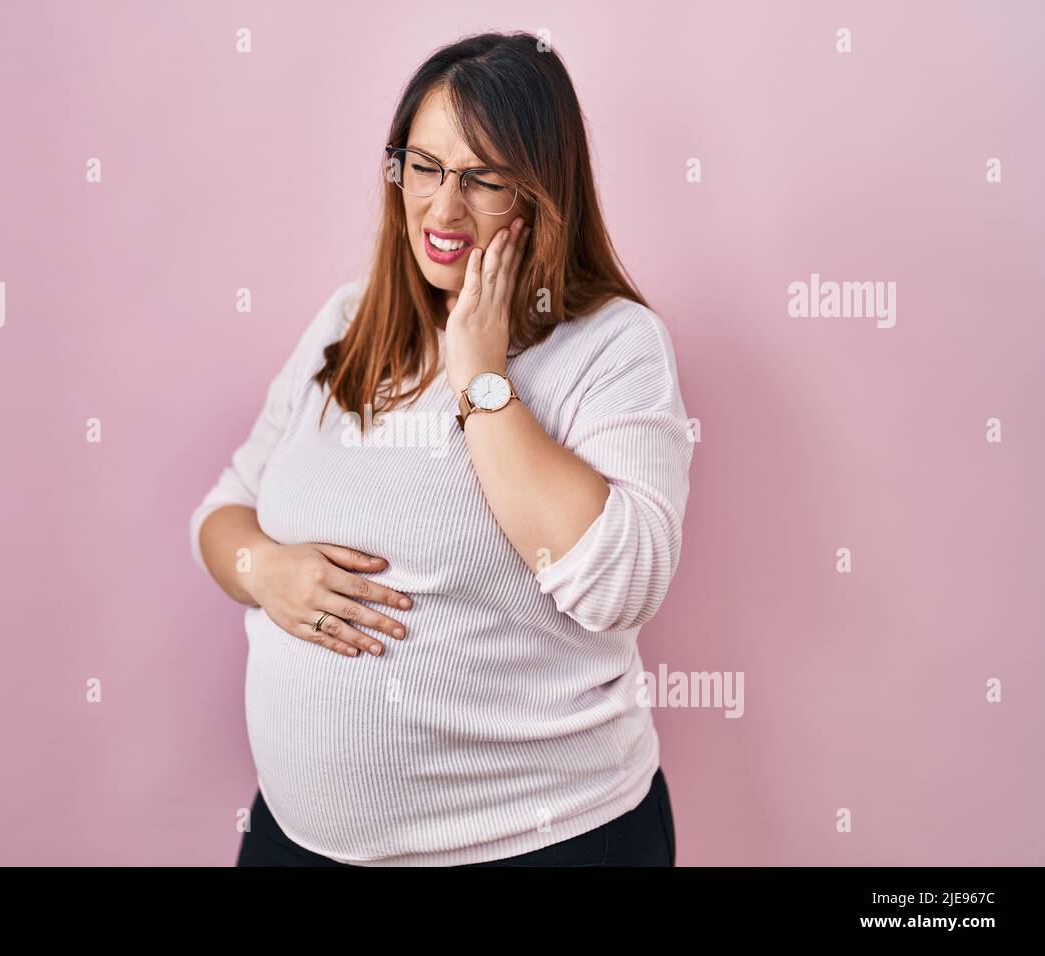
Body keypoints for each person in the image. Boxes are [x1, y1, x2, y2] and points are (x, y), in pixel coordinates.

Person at [191, 31, 692, 867]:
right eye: (423, 168)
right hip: (298, 841)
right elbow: (224, 511)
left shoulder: (614, 345)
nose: (442, 209)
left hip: (537, 844)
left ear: (543, 191)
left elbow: (619, 583)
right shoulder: (350, 321)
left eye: (484, 179)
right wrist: (264, 571)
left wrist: (480, 375)